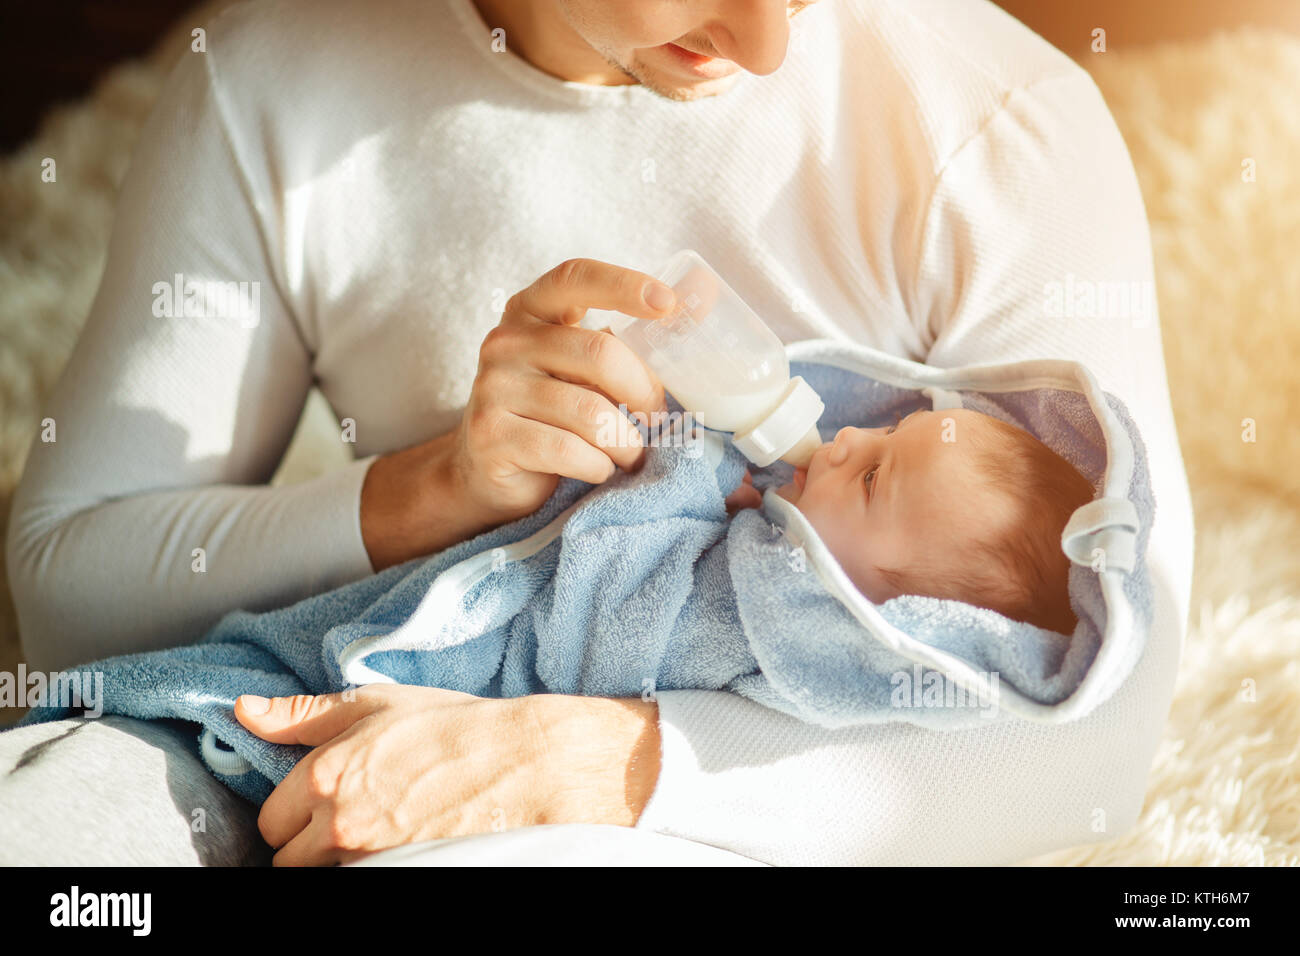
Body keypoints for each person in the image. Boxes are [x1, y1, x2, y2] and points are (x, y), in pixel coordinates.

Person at [1, 0, 1192, 866]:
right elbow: (67, 597)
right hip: (297, 703)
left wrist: (574, 758)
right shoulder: (270, 84)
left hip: (691, 809)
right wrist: (435, 489)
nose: (772, 42)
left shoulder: (995, 121)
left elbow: (1097, 728)